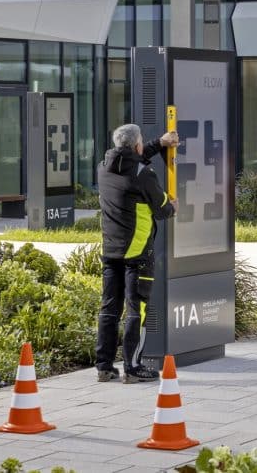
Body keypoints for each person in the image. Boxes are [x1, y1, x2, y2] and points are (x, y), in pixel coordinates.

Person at [96, 124, 179, 383]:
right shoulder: (144, 175)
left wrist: (159, 143)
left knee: (109, 308)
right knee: (136, 309)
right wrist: (173, 205)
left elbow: (132, 162)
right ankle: (132, 367)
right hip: (138, 253)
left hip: (111, 250)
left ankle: (104, 367)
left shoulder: (103, 168)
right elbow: (163, 209)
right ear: (136, 146)